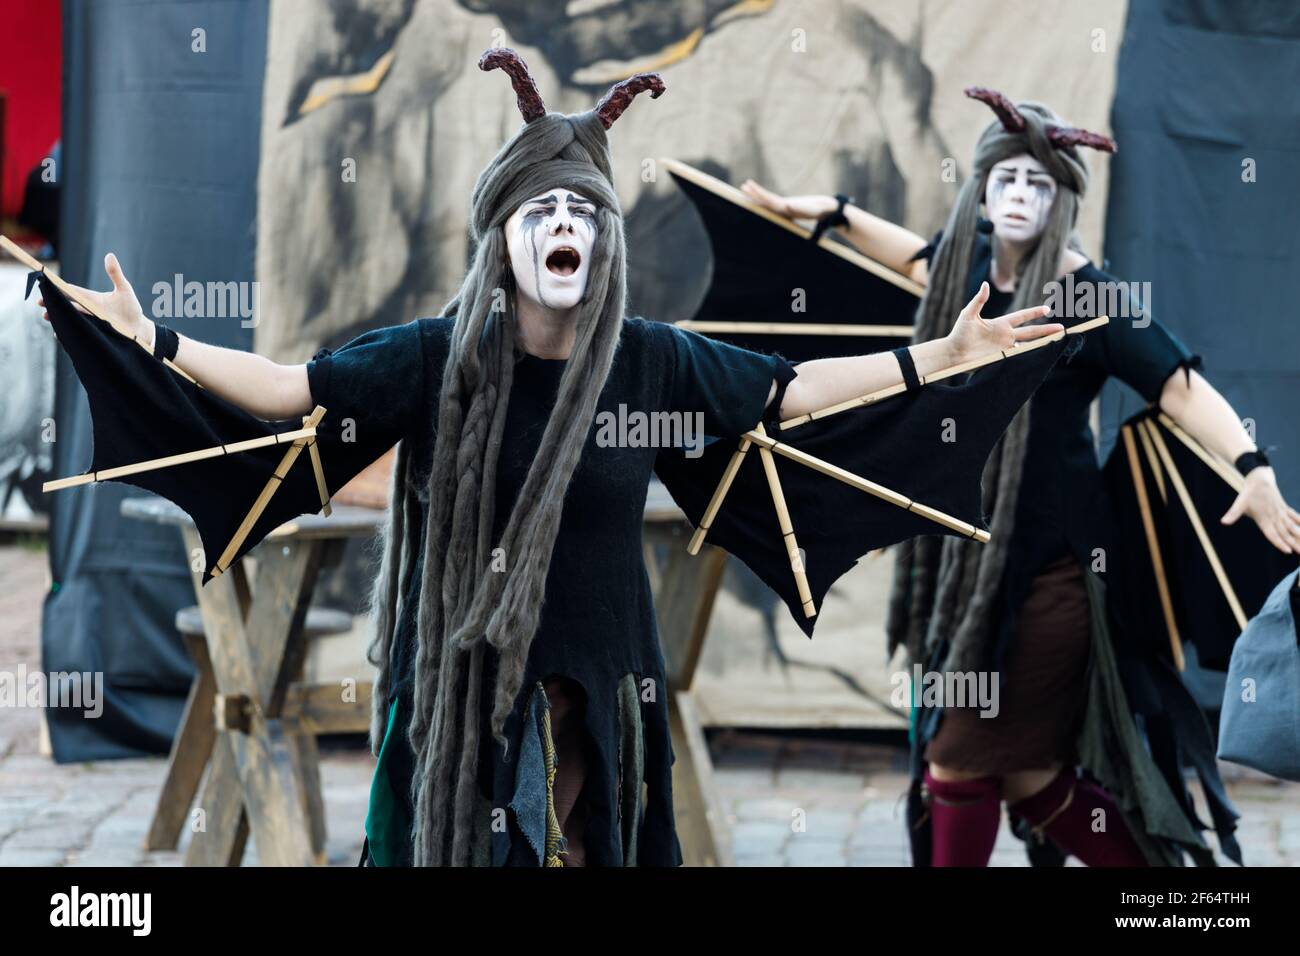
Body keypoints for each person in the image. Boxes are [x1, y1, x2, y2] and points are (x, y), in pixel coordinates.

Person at [40, 57, 1061, 867]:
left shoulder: (651, 358)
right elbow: (281, 389)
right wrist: (155, 341)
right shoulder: (435, 356)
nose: (566, 226)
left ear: (605, 243)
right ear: (504, 241)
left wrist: (938, 357)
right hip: (458, 685)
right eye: (543, 212)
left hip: (602, 683)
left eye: (584, 213)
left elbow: (788, 393)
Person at [741, 87, 1300, 867]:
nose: (1019, 196)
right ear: (979, 190)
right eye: (1005, 180)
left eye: (1039, 184)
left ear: (1063, 200)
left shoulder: (1091, 295)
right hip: (966, 569)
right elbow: (910, 255)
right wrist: (828, 215)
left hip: (1053, 578)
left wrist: (1252, 468)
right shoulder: (962, 274)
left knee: (958, 758)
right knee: (1032, 777)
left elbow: (1177, 384)